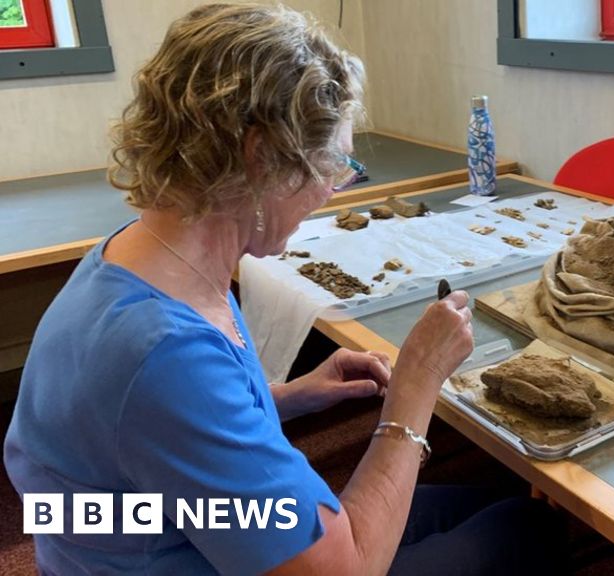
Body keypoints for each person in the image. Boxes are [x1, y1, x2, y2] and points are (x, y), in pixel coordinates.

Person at [3, 4, 565, 575]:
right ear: (261, 158)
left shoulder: (144, 259)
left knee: (484, 504)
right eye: (333, 165)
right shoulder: (164, 351)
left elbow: (153, 433)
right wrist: (416, 387)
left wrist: (291, 395)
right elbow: (345, 571)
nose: (332, 189)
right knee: (529, 529)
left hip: (142, 529)